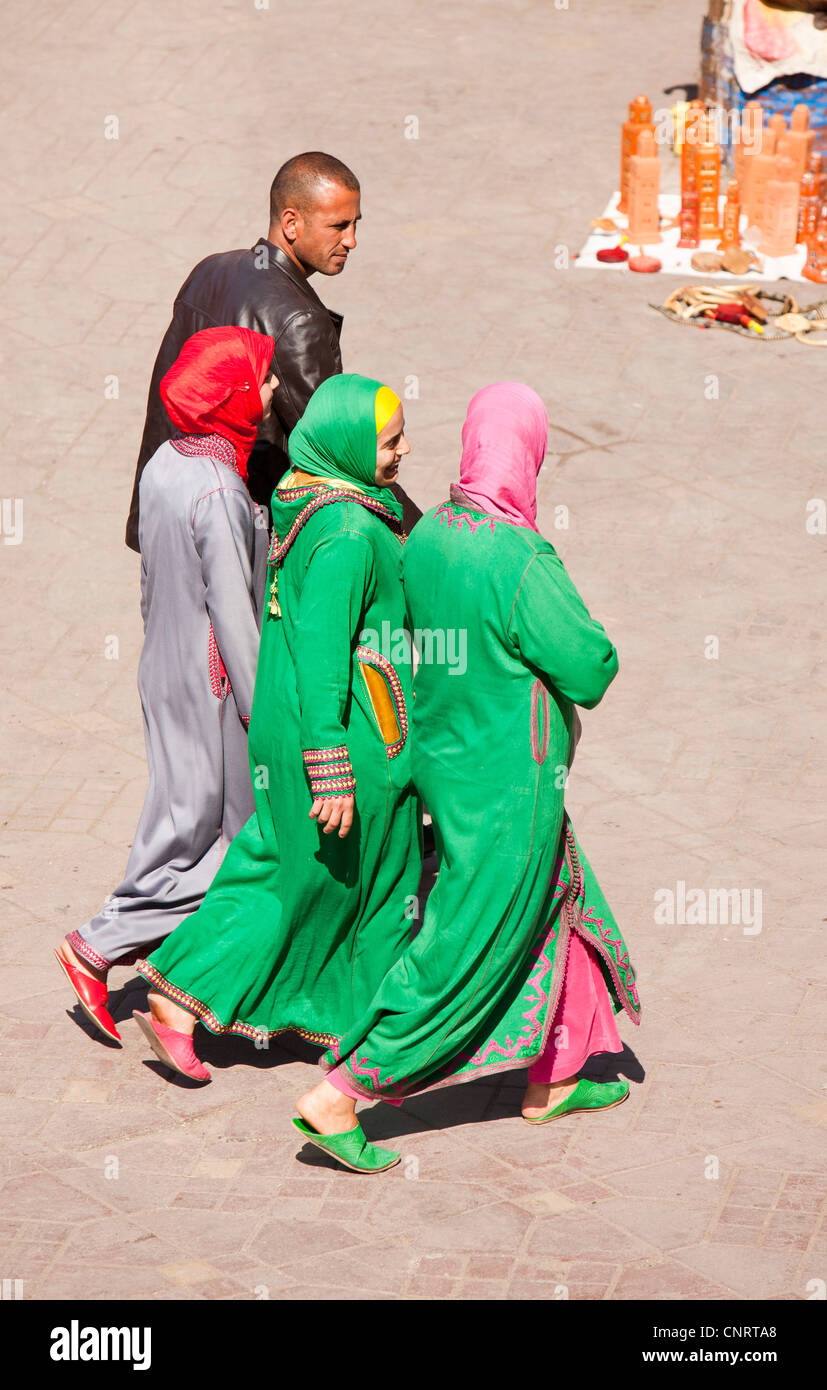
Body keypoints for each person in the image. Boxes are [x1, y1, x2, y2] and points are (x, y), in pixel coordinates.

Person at [294, 382, 641, 1174]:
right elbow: (587, 667)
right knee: (467, 936)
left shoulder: (432, 532)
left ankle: (553, 1075)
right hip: (508, 783)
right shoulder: (515, 555)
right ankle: (343, 1091)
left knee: (556, 902)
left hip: (447, 763)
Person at [133, 374, 422, 1124]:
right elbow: (326, 652)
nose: (402, 453)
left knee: (312, 871)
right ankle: (177, 996)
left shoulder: (309, 492)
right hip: (337, 729)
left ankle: (342, 1024)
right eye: (390, 442)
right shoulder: (351, 534)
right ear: (352, 445)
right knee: (298, 876)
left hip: (295, 719)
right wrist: (331, 769)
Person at [55, 327, 276, 1043]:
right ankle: (102, 946)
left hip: (166, 668)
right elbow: (234, 616)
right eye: (261, 380)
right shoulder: (218, 490)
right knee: (223, 841)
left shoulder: (166, 463)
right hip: (215, 685)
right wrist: (261, 707)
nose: (271, 390)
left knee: (183, 821)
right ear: (234, 396)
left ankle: (173, 973)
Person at [125, 152, 421, 548]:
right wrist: (425, 538)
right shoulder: (300, 321)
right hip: (244, 532)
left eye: (355, 224)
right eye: (338, 226)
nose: (351, 240)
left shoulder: (210, 269)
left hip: (171, 512)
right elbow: (340, 447)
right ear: (291, 223)